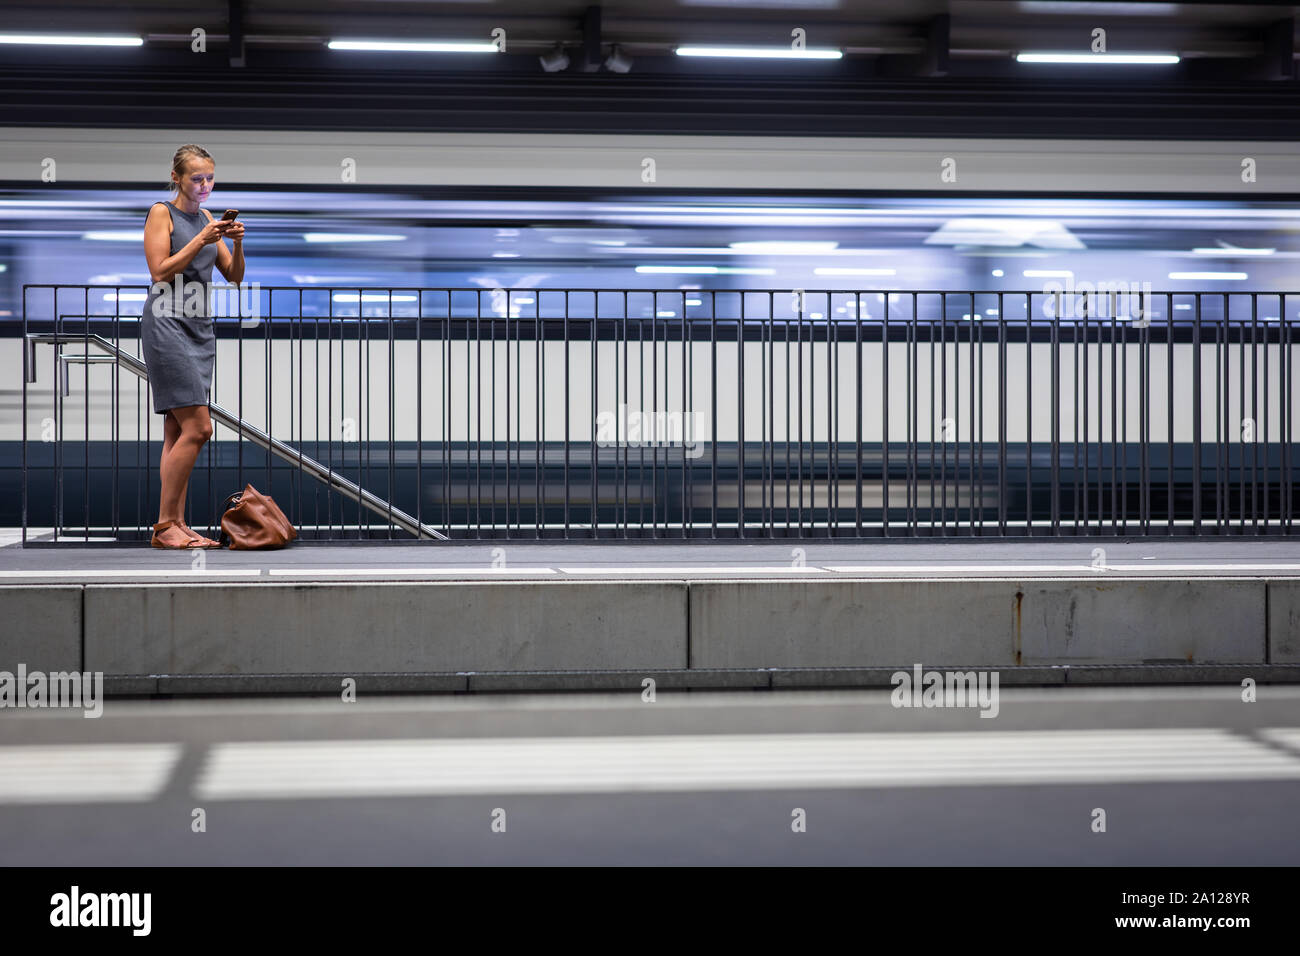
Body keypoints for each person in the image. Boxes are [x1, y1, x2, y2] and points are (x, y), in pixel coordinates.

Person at [140, 144, 245, 548]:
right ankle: (166, 526)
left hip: (199, 326)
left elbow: (234, 276)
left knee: (177, 430)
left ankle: (176, 525)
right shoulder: (161, 214)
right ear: (178, 178)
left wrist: (234, 241)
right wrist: (201, 237)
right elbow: (159, 271)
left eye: (210, 178)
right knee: (200, 427)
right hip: (166, 323)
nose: (204, 186)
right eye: (196, 178)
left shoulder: (205, 218)